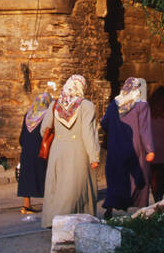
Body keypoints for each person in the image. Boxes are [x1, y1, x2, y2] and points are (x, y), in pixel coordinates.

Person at [40, 74, 101, 227]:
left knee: (58, 187)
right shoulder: (86, 105)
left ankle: (53, 220)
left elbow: (44, 130)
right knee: (77, 188)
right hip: (78, 150)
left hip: (57, 150)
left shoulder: (55, 104)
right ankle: (77, 222)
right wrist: (94, 156)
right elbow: (89, 133)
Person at [102, 77, 154, 213]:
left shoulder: (115, 103)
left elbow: (104, 123)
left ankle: (111, 205)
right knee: (138, 174)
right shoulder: (142, 105)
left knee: (116, 176)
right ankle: (140, 207)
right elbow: (144, 128)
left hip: (115, 146)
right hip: (135, 146)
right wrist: (150, 149)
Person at [17, 83, 54, 215]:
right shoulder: (47, 115)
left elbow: (21, 138)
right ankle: (49, 205)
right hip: (41, 151)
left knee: (26, 176)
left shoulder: (28, 115)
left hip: (26, 151)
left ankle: (26, 206)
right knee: (46, 176)